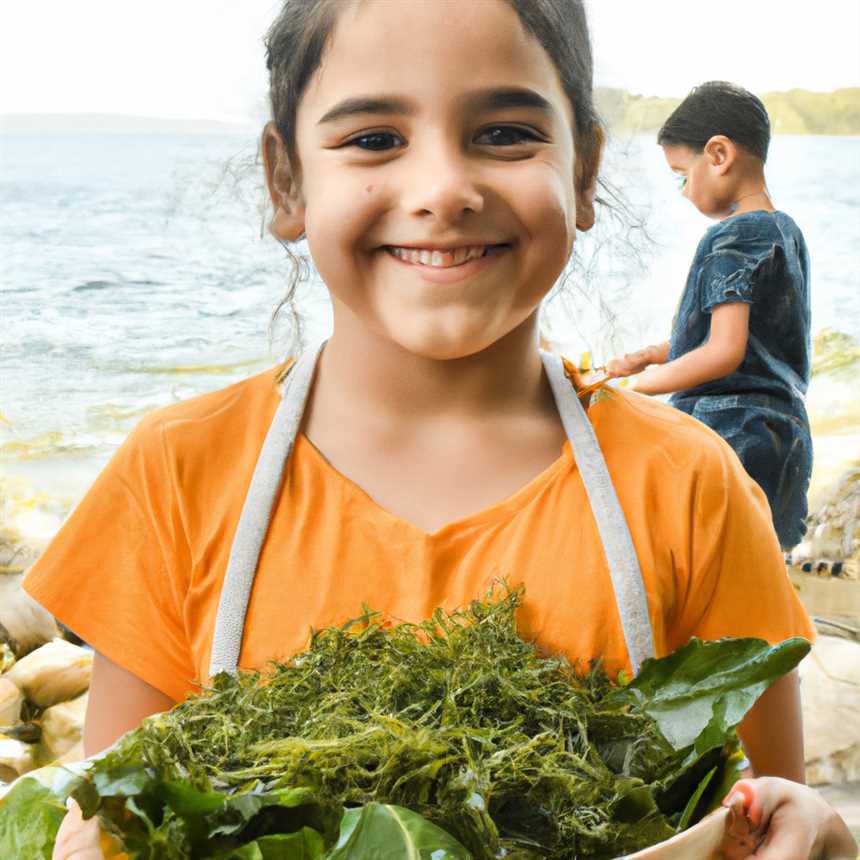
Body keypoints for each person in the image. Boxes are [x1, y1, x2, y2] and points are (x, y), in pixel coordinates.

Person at [22, 2, 852, 857]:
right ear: (287, 182)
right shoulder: (175, 475)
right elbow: (123, 816)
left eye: (505, 133)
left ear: (584, 172)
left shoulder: (691, 488)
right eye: (374, 139)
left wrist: (809, 831)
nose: (445, 190)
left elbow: (754, 816)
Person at [606, 82, 813, 552]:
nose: (682, 192)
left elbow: (724, 351)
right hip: (786, 435)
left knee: (691, 563)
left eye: (680, 175)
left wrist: (631, 389)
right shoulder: (786, 232)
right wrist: (649, 355)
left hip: (729, 431)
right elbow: (755, 340)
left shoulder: (733, 236)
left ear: (718, 154)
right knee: (761, 571)